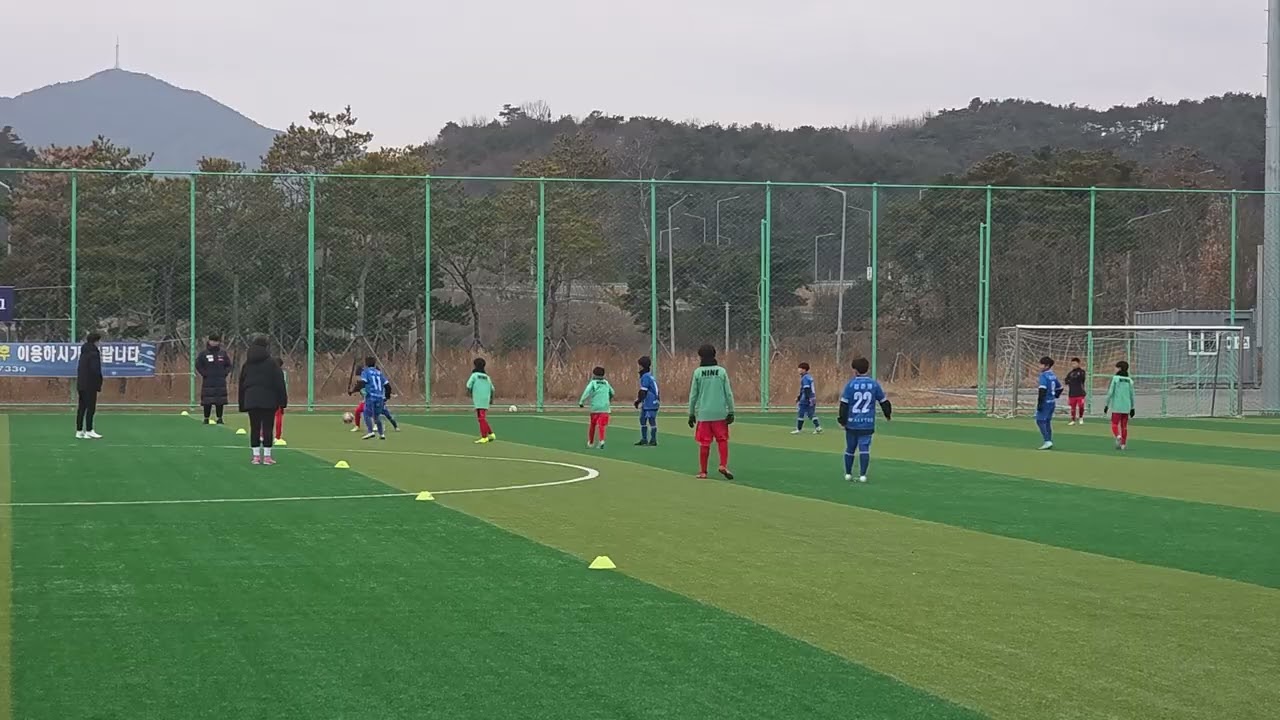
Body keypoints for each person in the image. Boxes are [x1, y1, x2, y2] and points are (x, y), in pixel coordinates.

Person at [838, 356, 891, 483]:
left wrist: (842, 420)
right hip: (867, 423)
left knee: (850, 448)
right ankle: (863, 475)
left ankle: (848, 473)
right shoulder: (874, 384)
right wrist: (887, 414)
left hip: (851, 423)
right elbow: (884, 401)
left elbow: (844, 404)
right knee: (864, 449)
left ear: (855, 370)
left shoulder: (850, 385)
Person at [238, 335, 288, 465]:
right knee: (267, 427)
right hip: (268, 399)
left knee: (254, 427)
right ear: (266, 347)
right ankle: (267, 456)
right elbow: (279, 382)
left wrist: (242, 402)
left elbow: (242, 383)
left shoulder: (247, 364)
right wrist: (282, 401)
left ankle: (255, 456)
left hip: (251, 398)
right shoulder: (272, 363)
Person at [687, 344, 735, 480]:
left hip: (704, 413)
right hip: (720, 412)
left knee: (704, 443)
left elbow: (693, 395)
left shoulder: (698, 372)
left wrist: (691, 413)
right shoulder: (721, 372)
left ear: (701, 356)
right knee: (722, 440)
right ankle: (723, 465)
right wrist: (731, 411)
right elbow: (728, 393)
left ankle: (703, 472)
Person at [349, 357, 395, 440]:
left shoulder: (365, 372)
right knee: (376, 417)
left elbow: (362, 383)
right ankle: (381, 434)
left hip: (371, 397)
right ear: (375, 364)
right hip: (380, 398)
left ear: (366, 364)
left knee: (366, 413)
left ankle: (370, 432)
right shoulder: (379, 373)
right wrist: (387, 397)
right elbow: (388, 387)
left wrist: (352, 391)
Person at [195, 334, 232, 425]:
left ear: (218, 342)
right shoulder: (204, 354)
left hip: (220, 381)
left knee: (220, 401)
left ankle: (219, 418)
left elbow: (228, 365)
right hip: (208, 380)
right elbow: (198, 365)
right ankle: (206, 418)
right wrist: (204, 374)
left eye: (216, 341)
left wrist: (224, 373)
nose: (214, 343)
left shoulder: (222, 353)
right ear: (209, 341)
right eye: (212, 341)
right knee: (207, 400)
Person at [75, 331, 104, 440]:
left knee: (81, 407)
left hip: (81, 383)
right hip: (90, 384)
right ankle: (89, 430)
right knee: (91, 408)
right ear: (96, 341)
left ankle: (79, 431)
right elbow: (95, 369)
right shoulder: (94, 353)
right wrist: (99, 381)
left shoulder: (84, 351)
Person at [579, 366, 615, 449]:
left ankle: (591, 442)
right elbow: (612, 392)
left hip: (595, 407)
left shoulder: (593, 383)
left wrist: (581, 401)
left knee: (593, 425)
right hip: (605, 408)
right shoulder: (606, 383)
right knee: (602, 425)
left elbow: (586, 392)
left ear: (594, 374)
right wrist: (609, 397)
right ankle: (601, 440)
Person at [1103, 360, 1136, 451]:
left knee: (1114, 424)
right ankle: (1123, 445)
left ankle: (1118, 436)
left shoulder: (1115, 379)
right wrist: (1133, 408)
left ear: (1119, 368)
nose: (1115, 369)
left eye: (1116, 367)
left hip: (1117, 406)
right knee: (1124, 426)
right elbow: (1132, 395)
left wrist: (1106, 405)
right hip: (1126, 406)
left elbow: (1110, 393)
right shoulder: (1130, 381)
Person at [1035, 356, 1063, 450]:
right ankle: (1049, 440)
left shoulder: (1044, 376)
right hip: (1052, 402)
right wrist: (1055, 396)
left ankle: (1047, 441)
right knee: (1047, 421)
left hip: (1046, 402)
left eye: (1041, 364)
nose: (1039, 366)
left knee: (1039, 421)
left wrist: (1040, 403)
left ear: (1047, 366)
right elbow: (1060, 388)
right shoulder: (1053, 375)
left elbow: (1042, 390)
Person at [467, 357, 496, 444]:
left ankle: (484, 437)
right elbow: (492, 389)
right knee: (482, 418)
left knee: (481, 418)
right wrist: (491, 399)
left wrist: (470, 392)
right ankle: (491, 434)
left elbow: (468, 385)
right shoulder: (487, 377)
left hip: (478, 399)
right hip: (486, 398)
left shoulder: (474, 375)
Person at [634, 356, 660, 446]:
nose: (638, 367)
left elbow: (643, 391)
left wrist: (638, 401)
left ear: (642, 366)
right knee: (642, 419)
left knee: (651, 419)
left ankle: (653, 439)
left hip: (651, 402)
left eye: (639, 365)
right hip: (648, 401)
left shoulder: (646, 376)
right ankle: (644, 439)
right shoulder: (648, 375)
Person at [791, 361, 823, 435]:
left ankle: (798, 429)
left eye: (800, 368)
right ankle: (818, 427)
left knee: (801, 413)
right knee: (811, 413)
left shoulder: (805, 378)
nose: (798, 370)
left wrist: (806, 398)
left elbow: (806, 389)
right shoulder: (809, 377)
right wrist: (811, 398)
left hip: (805, 398)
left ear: (804, 369)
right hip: (812, 397)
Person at [1064, 357, 1087, 426]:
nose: (1073, 365)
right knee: (1072, 408)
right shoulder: (1070, 373)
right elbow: (1066, 381)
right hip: (1072, 393)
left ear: (1078, 364)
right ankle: (1073, 420)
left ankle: (1081, 418)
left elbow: (1082, 379)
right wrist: (1069, 380)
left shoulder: (1082, 372)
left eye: (1074, 363)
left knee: (1081, 406)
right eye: (1072, 364)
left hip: (1080, 393)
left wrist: (1073, 379)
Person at [274, 358, 287, 444]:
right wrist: (284, 401)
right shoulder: (280, 373)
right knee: (278, 417)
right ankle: (277, 437)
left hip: (266, 398)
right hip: (277, 398)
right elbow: (282, 387)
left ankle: (261, 435)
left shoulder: (264, 372)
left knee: (264, 417)